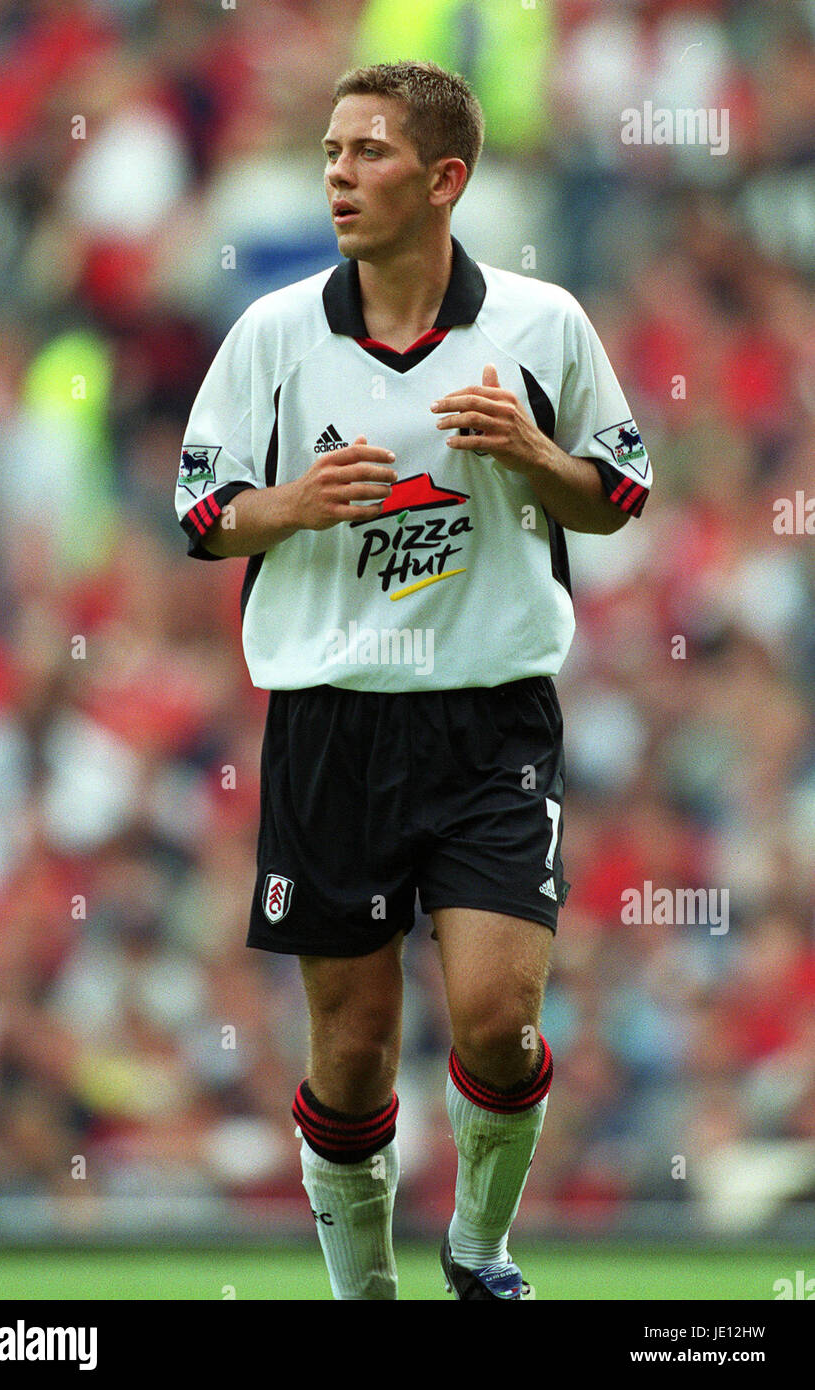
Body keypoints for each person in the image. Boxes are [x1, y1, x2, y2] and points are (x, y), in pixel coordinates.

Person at [176, 60, 652, 1301]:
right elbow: (198, 506)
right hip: (330, 722)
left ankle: (480, 1247)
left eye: (368, 152)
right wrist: (287, 505)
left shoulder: (541, 325)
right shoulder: (271, 333)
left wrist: (533, 453)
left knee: (498, 1020)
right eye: (330, 151)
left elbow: (613, 497)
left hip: (490, 718)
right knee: (352, 1048)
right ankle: (362, 1287)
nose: (337, 174)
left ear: (445, 180)